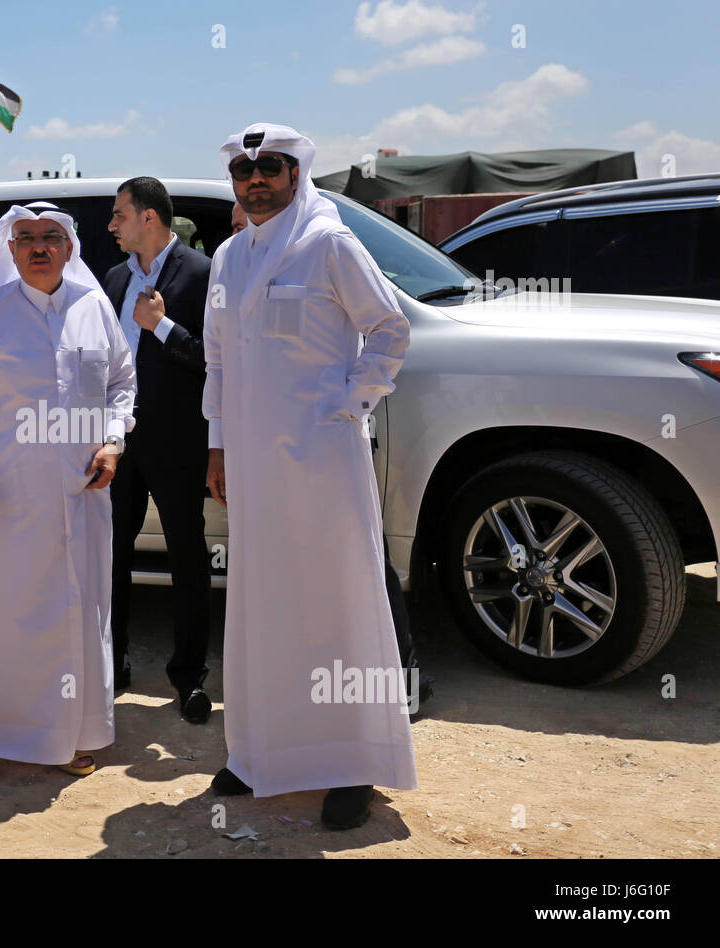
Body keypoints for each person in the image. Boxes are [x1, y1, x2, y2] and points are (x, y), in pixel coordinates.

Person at [203, 124, 416, 829]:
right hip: (255, 466)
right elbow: (220, 363)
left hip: (323, 462)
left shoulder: (329, 244)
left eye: (270, 167)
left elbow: (390, 329)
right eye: (243, 169)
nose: (254, 179)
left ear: (297, 173)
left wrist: (345, 402)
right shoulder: (230, 256)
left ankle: (350, 763)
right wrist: (218, 446)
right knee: (262, 604)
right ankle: (260, 751)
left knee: (335, 606)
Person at [0, 203, 135, 785]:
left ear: (70, 247)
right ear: (10, 249)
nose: (39, 247)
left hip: (82, 493)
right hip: (8, 496)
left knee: (78, 610)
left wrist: (113, 441)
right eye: (25, 238)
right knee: (2, 615)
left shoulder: (93, 305)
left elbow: (122, 381)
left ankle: (73, 733)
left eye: (51, 237)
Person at [103, 177, 213, 723]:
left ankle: (190, 676)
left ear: (149, 217)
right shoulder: (115, 277)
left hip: (176, 440)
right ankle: (112, 665)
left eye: (119, 216)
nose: (111, 226)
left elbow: (217, 360)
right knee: (111, 555)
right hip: (118, 443)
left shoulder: (201, 272)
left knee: (186, 558)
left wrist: (163, 326)